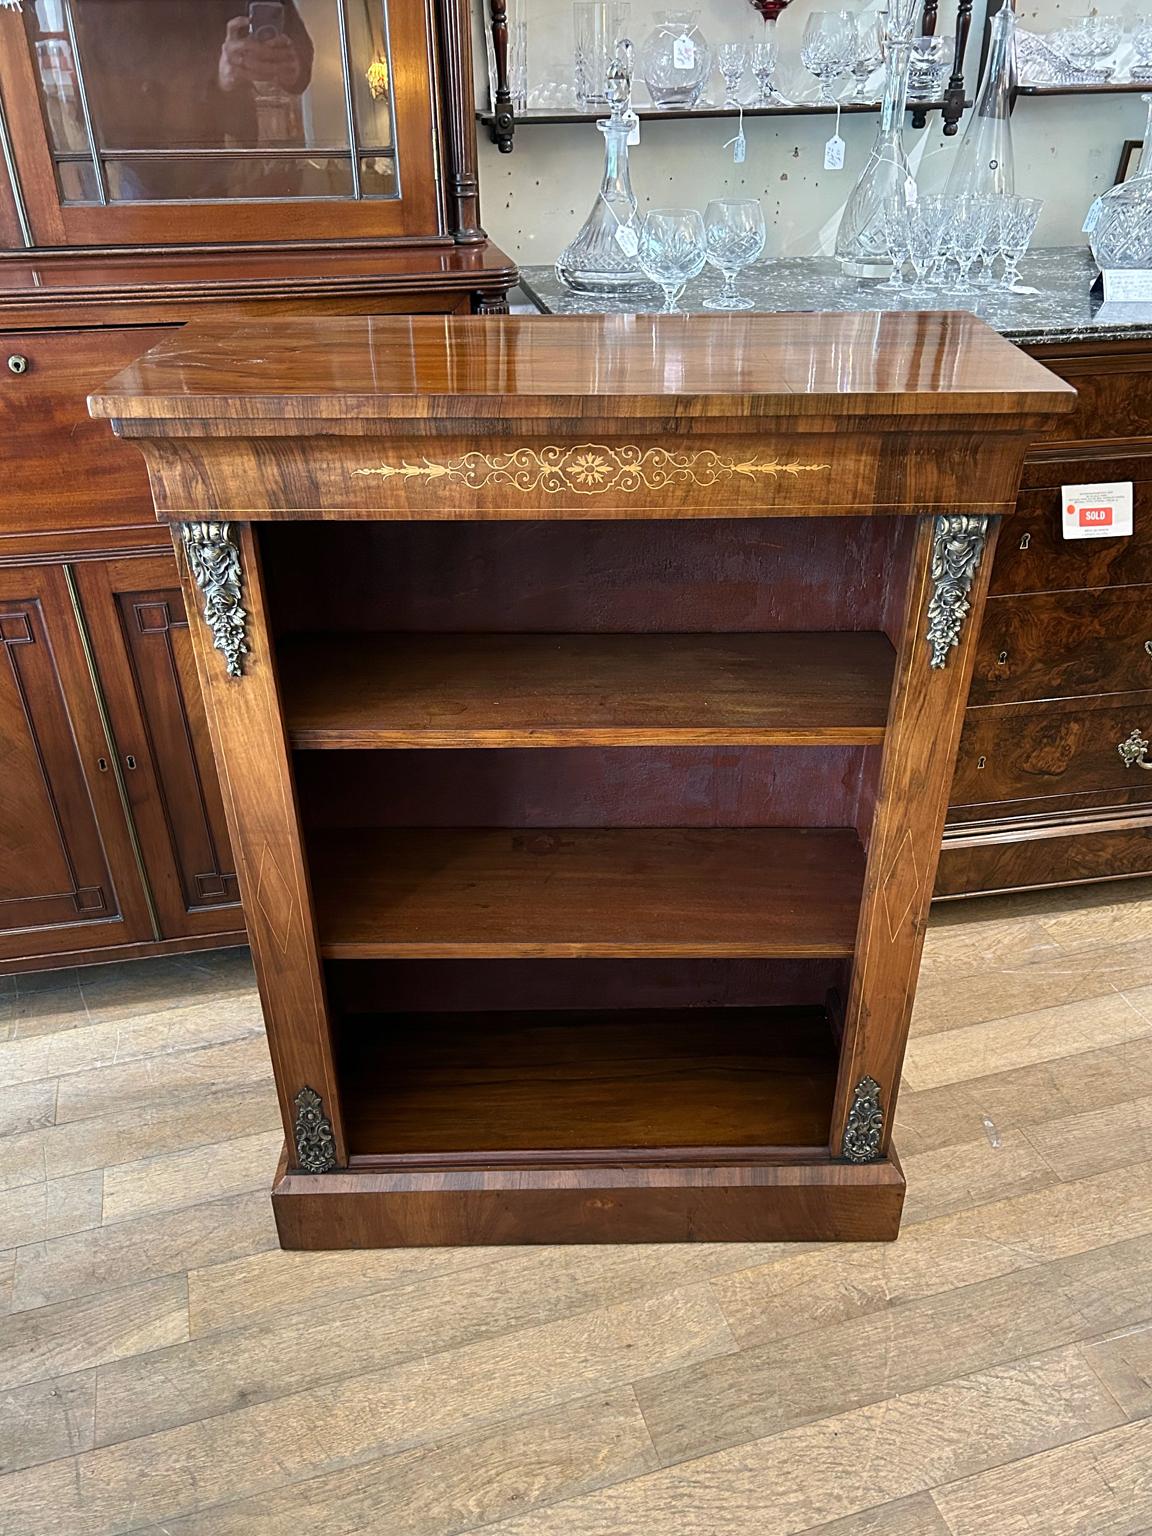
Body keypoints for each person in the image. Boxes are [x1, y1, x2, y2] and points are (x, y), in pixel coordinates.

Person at [66, 0, 315, 199]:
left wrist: (293, 66)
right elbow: (118, 44)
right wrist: (213, 72)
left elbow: (296, 42)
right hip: (134, 148)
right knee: (143, 249)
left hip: (221, 148)